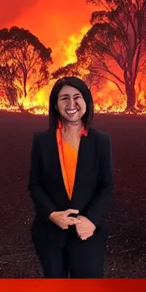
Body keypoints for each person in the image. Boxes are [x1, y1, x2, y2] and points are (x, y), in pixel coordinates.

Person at [27, 76, 114, 278]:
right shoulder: (42, 141)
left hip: (87, 232)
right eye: (64, 98)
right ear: (56, 105)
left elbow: (106, 186)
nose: (71, 104)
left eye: (77, 97)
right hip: (50, 232)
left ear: (86, 102)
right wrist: (52, 215)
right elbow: (35, 185)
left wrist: (91, 221)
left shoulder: (101, 141)